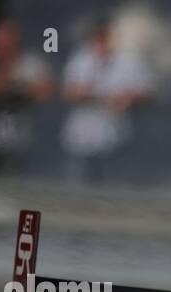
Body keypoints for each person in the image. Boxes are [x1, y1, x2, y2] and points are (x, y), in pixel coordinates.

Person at [60, 18, 154, 183]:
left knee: (112, 189)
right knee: (77, 188)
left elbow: (150, 93)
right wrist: (101, 97)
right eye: (99, 38)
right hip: (81, 139)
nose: (103, 43)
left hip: (115, 139)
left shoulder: (129, 63)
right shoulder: (81, 60)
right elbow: (70, 93)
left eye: (107, 38)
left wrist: (131, 97)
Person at [0, 20, 54, 176]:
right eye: (0, 41)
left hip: (22, 133)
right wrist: (13, 84)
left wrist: (18, 87)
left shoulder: (30, 63)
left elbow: (45, 92)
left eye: (9, 40)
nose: (5, 45)